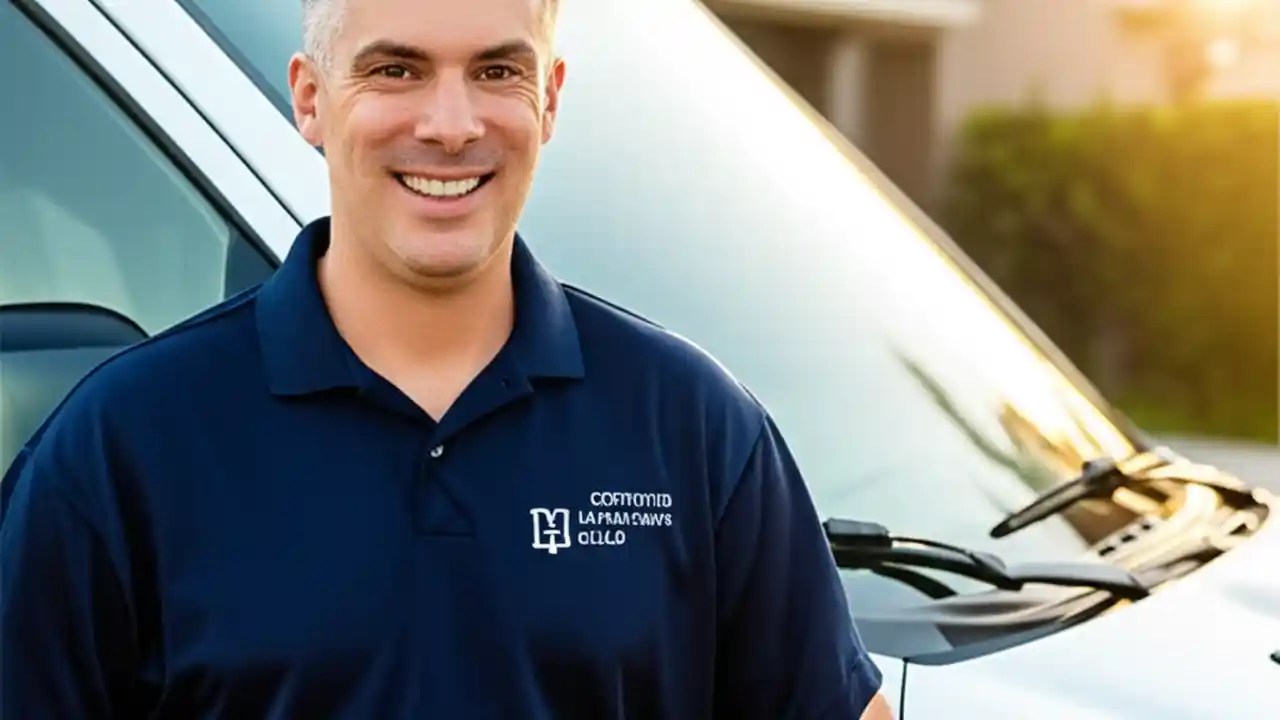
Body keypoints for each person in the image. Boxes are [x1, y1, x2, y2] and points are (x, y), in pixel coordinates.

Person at [0, 0, 894, 717]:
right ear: (310, 99)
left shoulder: (695, 428)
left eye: (498, 71)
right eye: (397, 69)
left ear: (549, 99)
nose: (451, 124)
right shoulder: (124, 445)